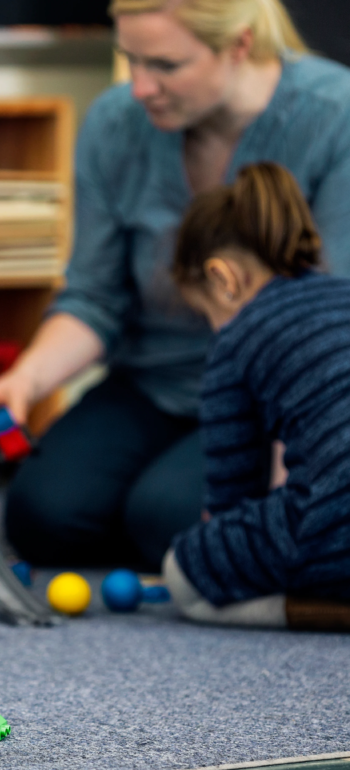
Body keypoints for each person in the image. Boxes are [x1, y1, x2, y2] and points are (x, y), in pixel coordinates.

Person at [0, 0, 350, 572]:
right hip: (153, 381)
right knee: (40, 515)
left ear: (239, 45)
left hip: (275, 398)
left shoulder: (333, 115)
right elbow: (94, 297)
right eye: (130, 60)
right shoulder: (115, 123)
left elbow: (329, 327)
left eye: (166, 66)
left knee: (161, 514)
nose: (141, 87)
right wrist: (27, 377)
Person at [161, 162, 350, 626]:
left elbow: (231, 496)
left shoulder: (238, 337)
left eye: (206, 312)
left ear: (222, 279)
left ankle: (322, 610)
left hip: (333, 532)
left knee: (182, 572)